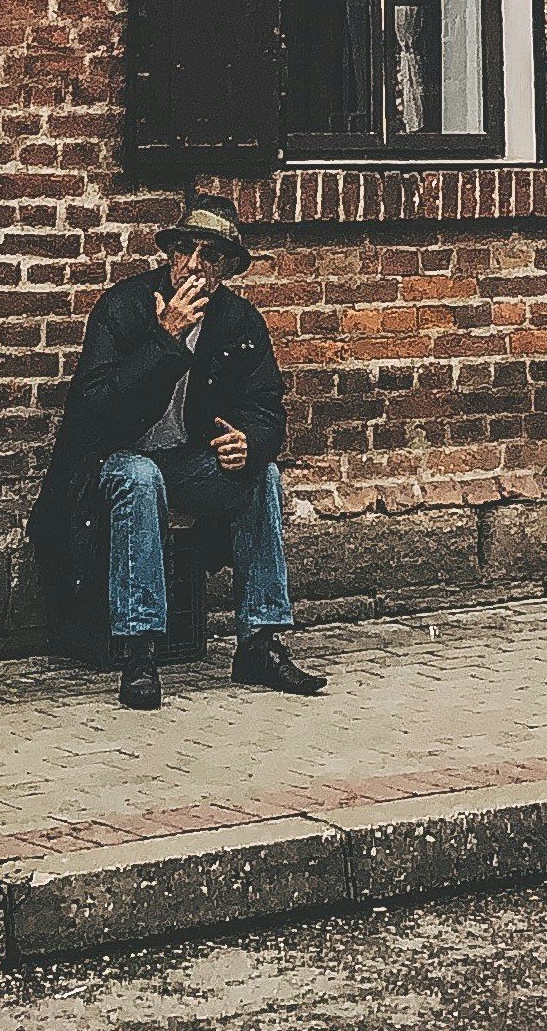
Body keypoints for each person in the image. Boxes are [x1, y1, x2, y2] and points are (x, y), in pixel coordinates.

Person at [29, 191, 326, 709]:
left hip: (183, 464)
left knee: (263, 476)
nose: (193, 265)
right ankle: (140, 652)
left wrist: (249, 442)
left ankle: (260, 640)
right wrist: (165, 341)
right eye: (185, 250)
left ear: (227, 268)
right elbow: (95, 408)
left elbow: (267, 408)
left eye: (209, 256)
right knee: (141, 475)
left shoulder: (238, 322)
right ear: (170, 254)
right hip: (108, 465)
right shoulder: (124, 308)